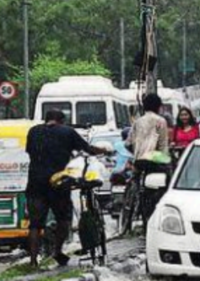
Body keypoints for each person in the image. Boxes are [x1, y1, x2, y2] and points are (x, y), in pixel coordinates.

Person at [25, 110, 111, 268]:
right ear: (61, 121)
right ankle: (57, 251)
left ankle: (32, 261)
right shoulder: (67, 132)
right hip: (59, 182)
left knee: (35, 224)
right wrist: (104, 151)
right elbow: (88, 149)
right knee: (63, 218)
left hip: (35, 182)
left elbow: (30, 151)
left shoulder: (33, 131)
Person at [129, 93, 172, 225]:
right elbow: (163, 146)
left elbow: (128, 143)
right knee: (169, 180)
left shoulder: (138, 121)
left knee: (134, 180)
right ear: (159, 106)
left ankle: (133, 206)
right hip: (154, 159)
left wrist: (137, 152)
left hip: (138, 160)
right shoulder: (161, 121)